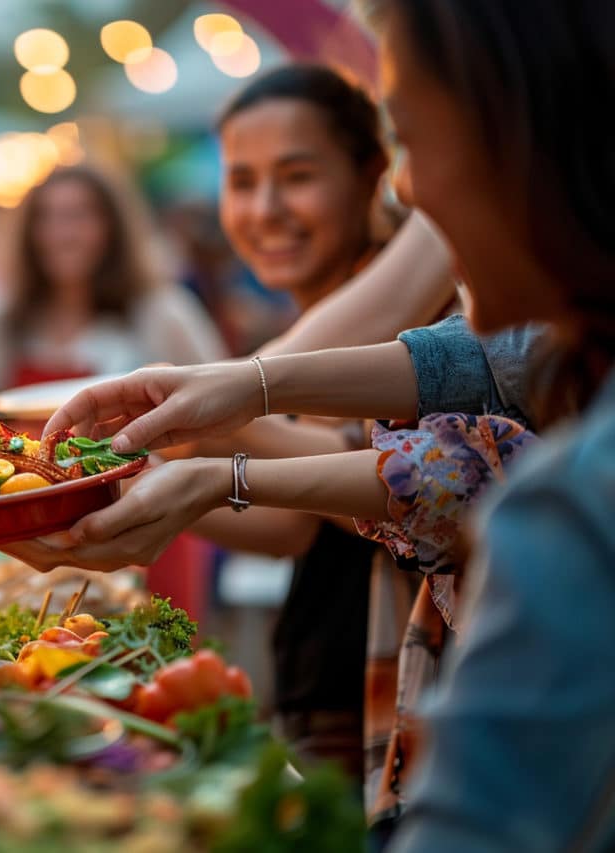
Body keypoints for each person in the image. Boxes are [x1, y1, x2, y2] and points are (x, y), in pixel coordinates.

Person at [7, 0, 615, 846]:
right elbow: (476, 362)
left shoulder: (574, 504)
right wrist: (232, 404)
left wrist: (223, 436)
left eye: (413, 138)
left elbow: (457, 465)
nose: (414, 195)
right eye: (241, 179)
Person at [190, 63, 399, 786]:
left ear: (373, 171)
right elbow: (292, 523)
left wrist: (214, 422)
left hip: (385, 701)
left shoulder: (410, 322)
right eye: (242, 181)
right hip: (326, 685)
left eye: (297, 175)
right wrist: (125, 491)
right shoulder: (314, 314)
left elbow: (409, 482)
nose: (266, 208)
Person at [0, 166, 225, 394]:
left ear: (113, 228)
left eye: (79, 216)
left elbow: (218, 397)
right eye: (46, 218)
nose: (63, 234)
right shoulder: (3, 321)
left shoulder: (161, 314)